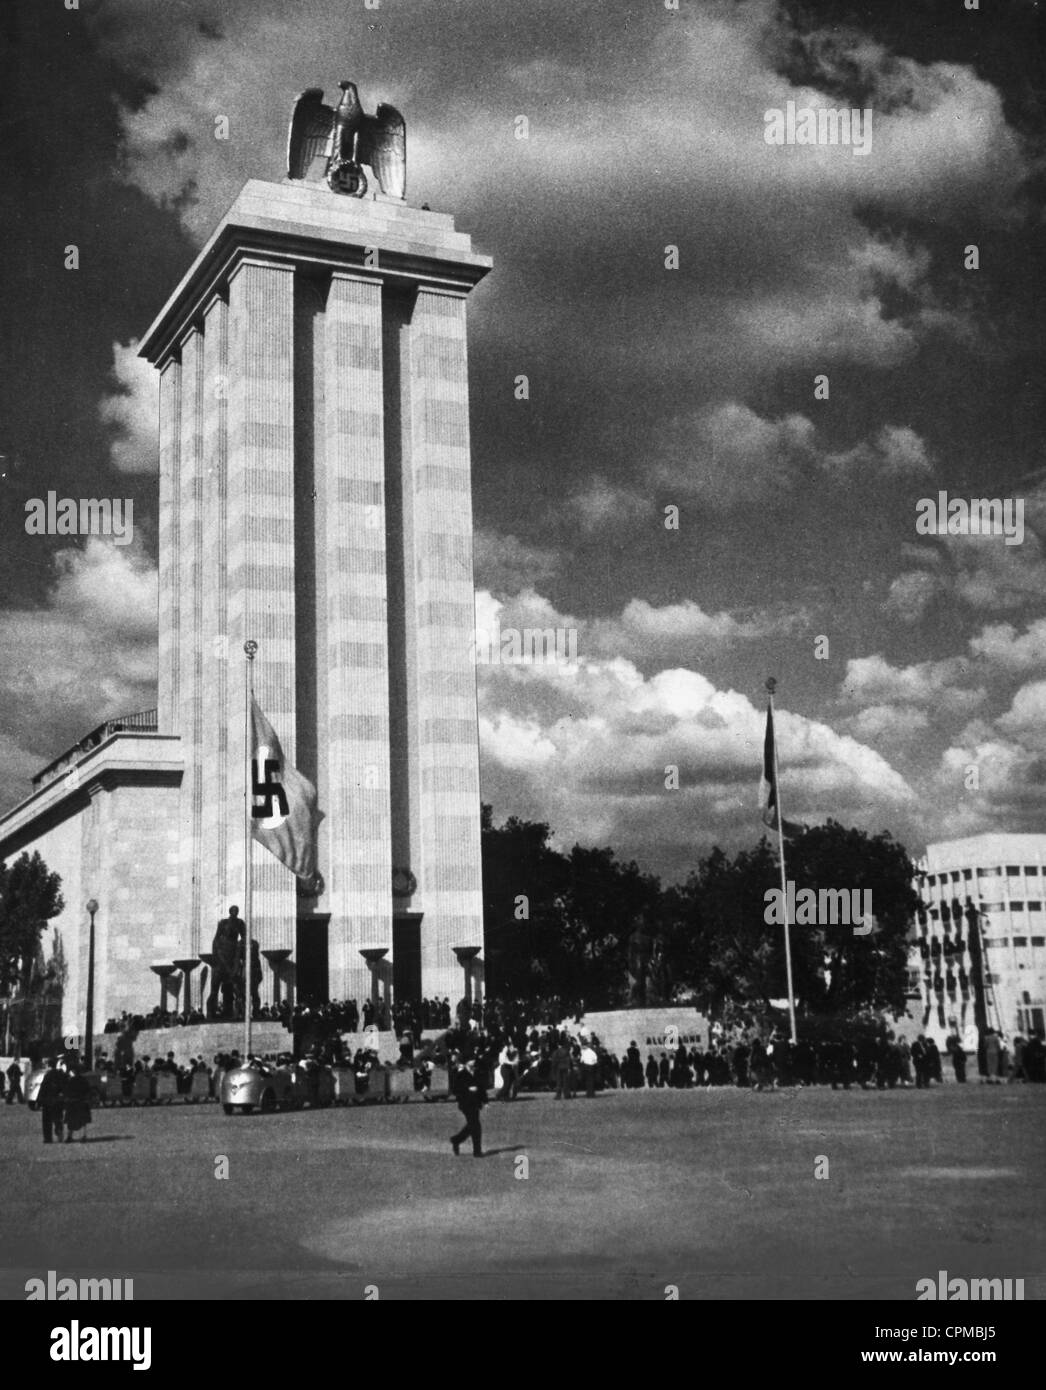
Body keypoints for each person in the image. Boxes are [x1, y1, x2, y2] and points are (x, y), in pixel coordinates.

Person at [450, 1057, 487, 1157]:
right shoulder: (461, 1074)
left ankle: (456, 1140)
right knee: (476, 1126)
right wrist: (468, 1089)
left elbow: (481, 1087)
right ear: (466, 1062)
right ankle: (477, 1151)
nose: (473, 1061)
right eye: (470, 1059)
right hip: (466, 1103)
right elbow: (455, 1089)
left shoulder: (477, 1072)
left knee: (473, 1125)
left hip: (475, 1103)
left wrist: (485, 1101)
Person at [37, 1057, 66, 1144]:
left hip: (48, 1102)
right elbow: (64, 1087)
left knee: (46, 1121)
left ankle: (48, 1138)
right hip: (58, 1101)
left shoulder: (47, 1075)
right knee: (58, 1119)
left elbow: (43, 1089)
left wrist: (39, 1101)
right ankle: (59, 1132)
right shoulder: (60, 1074)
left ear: (48, 1066)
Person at [62, 1063, 92, 1143]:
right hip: (82, 1102)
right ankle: (83, 1136)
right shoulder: (83, 1080)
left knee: (70, 1121)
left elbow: (66, 1091)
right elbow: (88, 1090)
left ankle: (69, 1136)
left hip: (72, 1103)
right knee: (83, 1121)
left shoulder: (70, 1081)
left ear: (73, 1072)